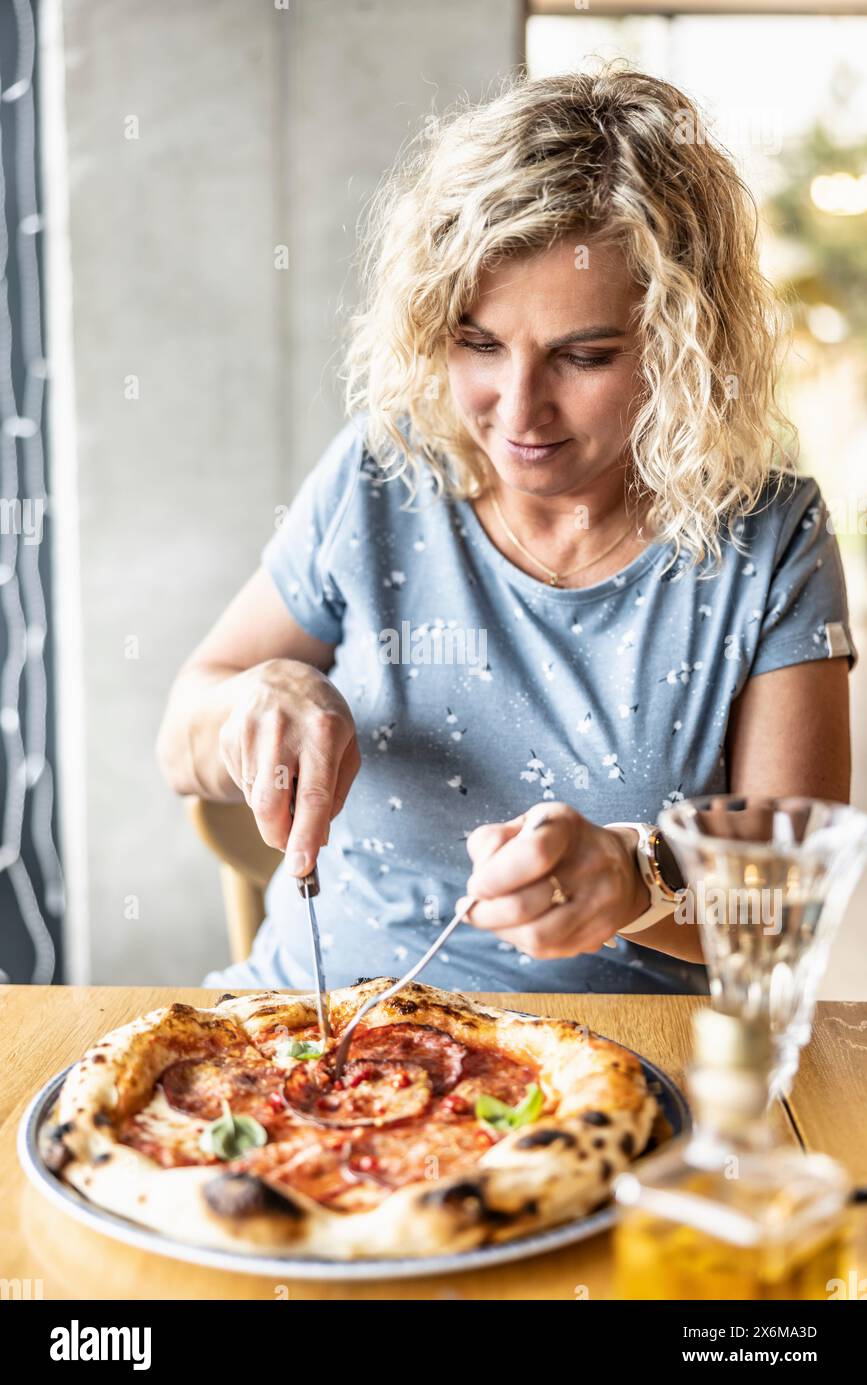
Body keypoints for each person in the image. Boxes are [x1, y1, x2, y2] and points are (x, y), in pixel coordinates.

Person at [156, 65, 857, 995]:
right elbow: (183, 734)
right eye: (478, 343)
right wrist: (259, 696)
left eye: (584, 355)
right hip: (300, 1028)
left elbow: (783, 915)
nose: (518, 410)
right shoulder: (382, 473)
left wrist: (636, 883)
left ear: (683, 348)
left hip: (610, 1057)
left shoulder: (768, 540)